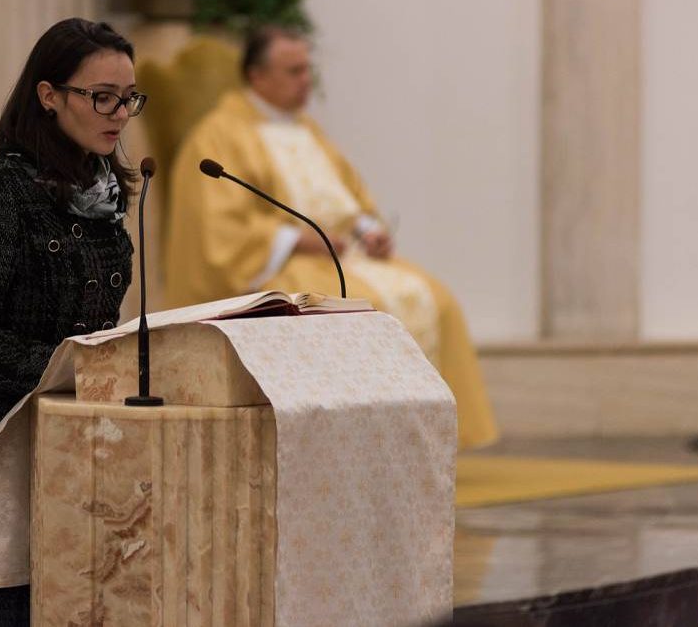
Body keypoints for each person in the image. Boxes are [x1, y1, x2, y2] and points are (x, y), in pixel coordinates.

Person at [0, 18, 145, 624]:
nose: (119, 113)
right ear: (49, 95)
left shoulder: (106, 200)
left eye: (128, 99)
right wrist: (71, 370)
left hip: (76, 445)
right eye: (102, 97)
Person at [164, 26, 498, 449]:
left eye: (307, 70)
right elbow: (218, 227)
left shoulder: (309, 131)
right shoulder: (217, 135)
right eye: (294, 71)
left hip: (344, 256)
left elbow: (348, 199)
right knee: (358, 314)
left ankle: (422, 443)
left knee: (440, 301)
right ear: (257, 75)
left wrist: (369, 232)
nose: (306, 80)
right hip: (285, 264)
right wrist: (295, 240)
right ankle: (358, 443)